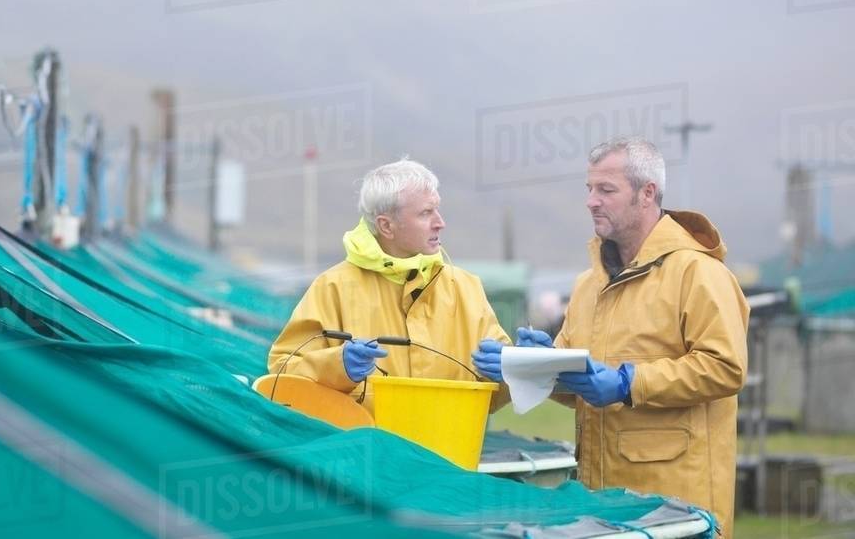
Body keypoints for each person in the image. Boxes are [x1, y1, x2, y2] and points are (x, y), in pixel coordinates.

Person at [512, 138, 749, 537]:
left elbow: (724, 367)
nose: (591, 201)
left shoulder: (699, 273)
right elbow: (581, 386)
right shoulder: (588, 285)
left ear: (647, 194)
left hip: (675, 509)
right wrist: (541, 365)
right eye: (589, 189)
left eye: (606, 189)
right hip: (599, 504)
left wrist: (627, 383)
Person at [267, 158, 511, 414]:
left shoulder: (465, 287)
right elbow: (282, 374)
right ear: (386, 225)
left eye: (437, 210)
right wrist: (336, 366)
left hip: (451, 450)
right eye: (425, 213)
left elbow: (498, 393)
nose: (440, 222)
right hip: (365, 451)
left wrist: (513, 369)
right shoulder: (332, 288)